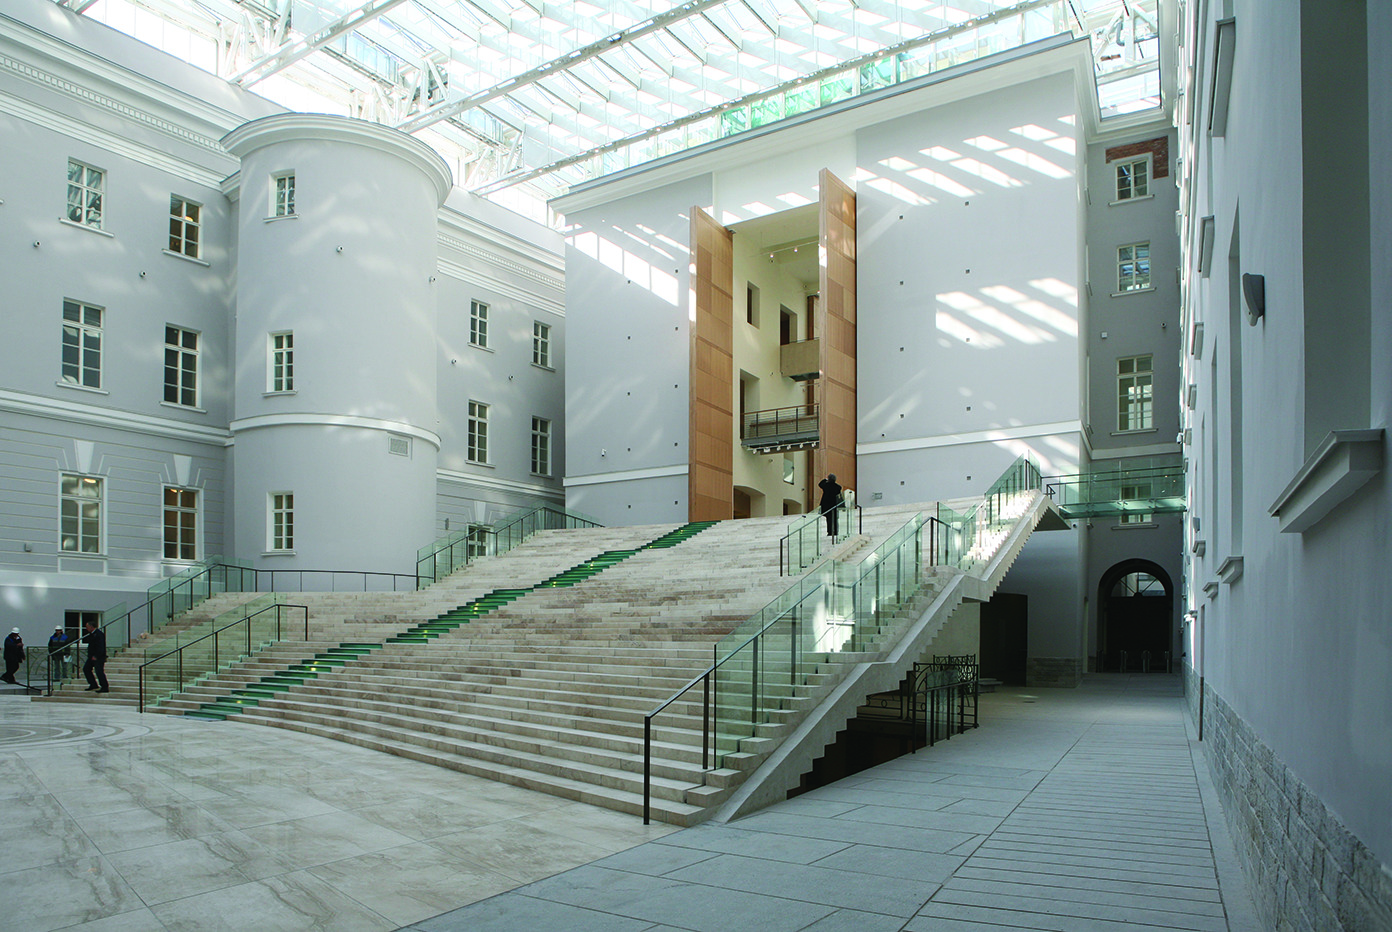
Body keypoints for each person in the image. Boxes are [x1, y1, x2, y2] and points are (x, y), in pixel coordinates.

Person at [82, 619, 109, 693]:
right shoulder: (91, 634)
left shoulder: (99, 634)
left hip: (98, 657)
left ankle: (104, 686)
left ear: (91, 627)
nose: (86, 628)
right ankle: (93, 684)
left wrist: (96, 655)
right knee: (86, 669)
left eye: (87, 627)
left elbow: (100, 646)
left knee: (99, 671)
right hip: (91, 656)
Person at [818, 473, 844, 538]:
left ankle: (829, 532)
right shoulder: (838, 487)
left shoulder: (826, 485)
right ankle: (835, 531)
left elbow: (820, 484)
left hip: (826, 505)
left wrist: (825, 479)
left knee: (828, 519)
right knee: (835, 519)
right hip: (834, 504)